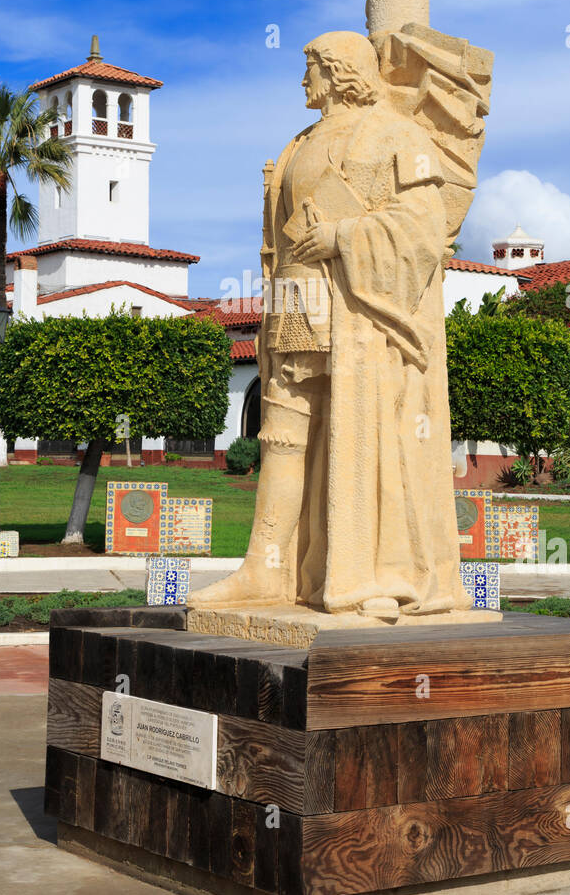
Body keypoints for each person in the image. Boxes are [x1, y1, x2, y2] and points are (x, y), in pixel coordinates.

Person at [193, 30, 471, 617]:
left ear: (342, 71)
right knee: (282, 435)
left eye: (312, 67)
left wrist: (343, 236)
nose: (303, 79)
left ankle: (370, 575)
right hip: (295, 300)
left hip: (357, 313)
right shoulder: (298, 142)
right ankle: (263, 569)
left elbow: (423, 226)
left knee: (360, 433)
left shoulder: (397, 133)